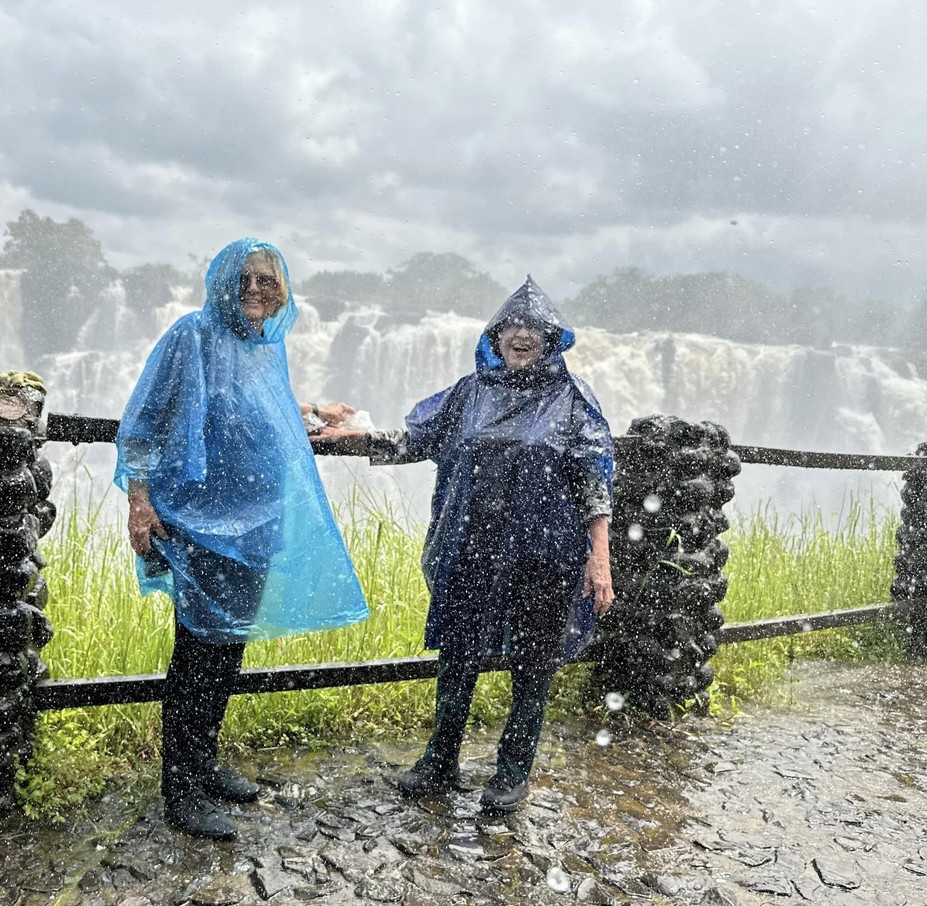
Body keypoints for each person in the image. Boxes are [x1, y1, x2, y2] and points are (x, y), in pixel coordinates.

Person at [313, 276, 614, 814]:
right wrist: (355, 436)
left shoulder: (570, 398)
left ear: (551, 338)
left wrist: (600, 556)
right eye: (512, 326)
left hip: (544, 555)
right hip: (471, 547)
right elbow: (415, 441)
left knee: (532, 662)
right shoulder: (469, 392)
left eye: (534, 328)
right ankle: (440, 759)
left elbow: (593, 478)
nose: (522, 335)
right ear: (495, 336)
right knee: (458, 656)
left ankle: (513, 769)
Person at [115, 238, 369, 840]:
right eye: (246, 279)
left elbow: (257, 405)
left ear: (282, 291)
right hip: (200, 525)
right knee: (197, 656)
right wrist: (139, 503)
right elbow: (143, 420)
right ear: (223, 281)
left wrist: (311, 413)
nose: (257, 289)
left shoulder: (268, 348)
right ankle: (181, 788)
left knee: (228, 650)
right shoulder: (190, 335)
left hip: (257, 524)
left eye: (268, 281)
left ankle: (204, 762)